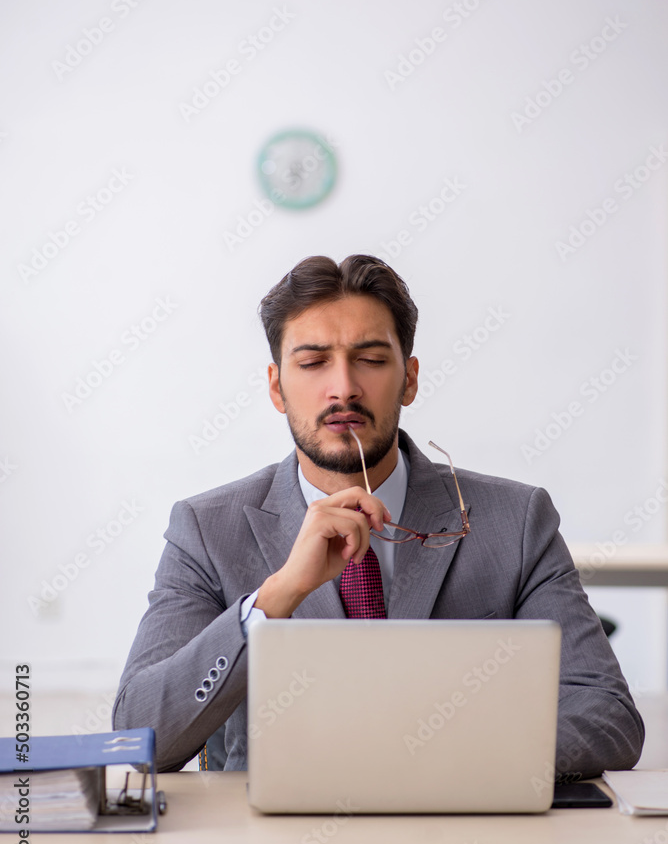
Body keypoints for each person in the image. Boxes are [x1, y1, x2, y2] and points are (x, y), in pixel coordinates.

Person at [113, 254, 644, 776]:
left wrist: (414, 755)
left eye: (370, 358)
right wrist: (273, 600)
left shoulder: (516, 521)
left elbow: (607, 717)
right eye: (313, 361)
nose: (343, 387)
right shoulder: (207, 530)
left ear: (409, 379)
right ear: (277, 387)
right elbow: (140, 737)